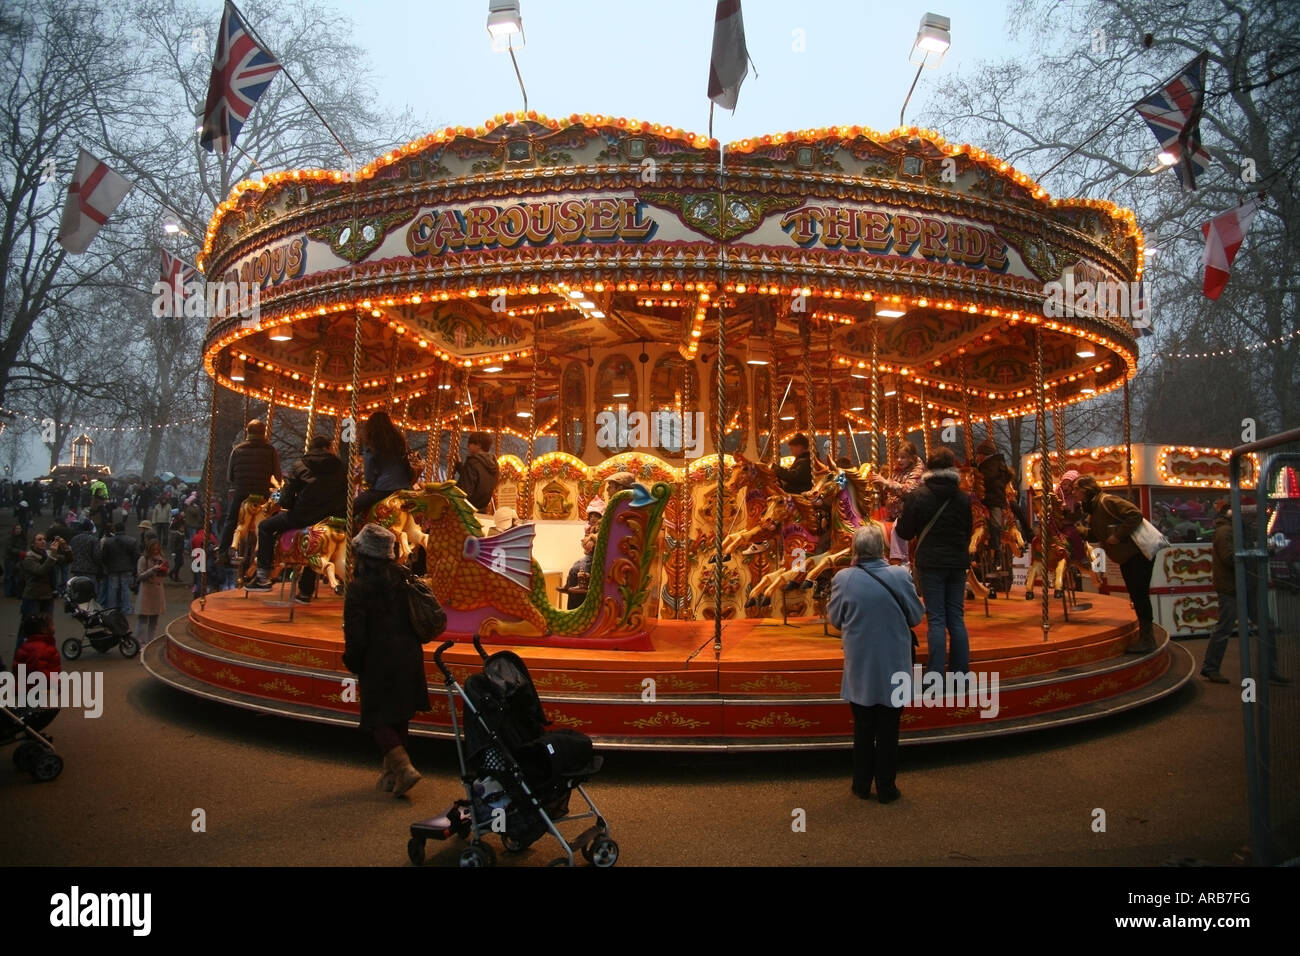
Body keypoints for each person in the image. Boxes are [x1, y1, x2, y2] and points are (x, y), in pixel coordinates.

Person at [343, 523, 444, 797]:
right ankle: (390, 776)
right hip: (408, 653)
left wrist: (352, 659)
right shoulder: (405, 577)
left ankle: (403, 768)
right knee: (399, 714)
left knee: (377, 717)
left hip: (378, 657)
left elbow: (356, 632)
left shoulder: (359, 588)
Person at [828, 523, 924, 804]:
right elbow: (916, 615)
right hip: (894, 662)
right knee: (889, 728)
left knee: (863, 726)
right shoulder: (900, 575)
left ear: (855, 550)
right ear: (881, 549)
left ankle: (860, 784)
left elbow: (835, 619)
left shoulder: (843, 578)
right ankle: (886, 786)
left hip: (861, 665)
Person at [895, 446, 973, 676]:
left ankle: (936, 672)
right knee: (956, 617)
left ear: (929, 468)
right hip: (958, 561)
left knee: (937, 618)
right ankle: (961, 671)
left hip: (931, 561)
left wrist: (904, 519)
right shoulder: (963, 498)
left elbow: (905, 532)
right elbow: (968, 530)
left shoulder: (918, 496)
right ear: (952, 468)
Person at [246, 436, 347, 599]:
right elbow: (346, 493)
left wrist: (292, 505)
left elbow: (285, 498)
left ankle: (263, 576)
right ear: (329, 448)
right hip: (331, 517)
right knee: (318, 545)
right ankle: (306, 591)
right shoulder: (341, 467)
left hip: (303, 515)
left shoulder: (299, 465)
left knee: (265, 527)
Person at [1075, 475, 1155, 653]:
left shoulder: (1107, 501)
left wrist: (1118, 535)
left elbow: (1135, 515)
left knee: (1140, 594)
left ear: (1086, 490)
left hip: (1137, 553)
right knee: (1135, 594)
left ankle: (1147, 639)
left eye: (1076, 489)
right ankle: (1145, 636)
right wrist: (1077, 531)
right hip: (1126, 556)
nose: (1074, 493)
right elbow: (1098, 535)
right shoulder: (1093, 509)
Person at [219, 419, 281, 563]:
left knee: (231, 520)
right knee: (274, 517)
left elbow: (230, 477)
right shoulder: (270, 450)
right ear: (263, 432)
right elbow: (277, 475)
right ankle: (271, 551)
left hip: (242, 493)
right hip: (263, 493)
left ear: (248, 432)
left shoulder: (237, 449)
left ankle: (223, 552)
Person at [353, 411, 416, 521]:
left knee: (355, 505)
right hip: (404, 487)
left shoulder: (371, 443)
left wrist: (370, 482)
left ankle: (346, 529)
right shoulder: (399, 441)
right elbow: (406, 463)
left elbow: (369, 473)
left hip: (384, 489)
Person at [872, 440, 924, 564]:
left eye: (903, 457)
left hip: (909, 513)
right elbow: (890, 487)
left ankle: (901, 560)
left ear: (912, 458)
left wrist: (885, 483)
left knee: (897, 529)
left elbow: (909, 490)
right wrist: (880, 485)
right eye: (897, 457)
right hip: (893, 514)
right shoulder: (896, 471)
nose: (899, 460)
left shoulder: (917, 471)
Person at [21, 532, 70, 620]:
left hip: (47, 596)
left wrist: (65, 547)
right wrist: (52, 555)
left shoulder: (47, 554)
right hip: (33, 597)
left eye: (44, 539)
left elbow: (68, 560)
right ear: (33, 543)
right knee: (30, 626)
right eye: (39, 540)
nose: (43, 541)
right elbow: (40, 571)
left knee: (46, 626)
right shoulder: (29, 558)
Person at [974, 439, 1016, 531]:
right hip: (984, 498)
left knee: (995, 523)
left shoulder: (993, 466)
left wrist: (976, 471)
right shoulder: (988, 465)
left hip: (993, 499)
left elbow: (986, 478)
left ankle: (995, 544)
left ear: (983, 455)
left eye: (978, 454)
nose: (976, 457)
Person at [98, 522, 139, 614]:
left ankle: (111, 609)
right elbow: (136, 556)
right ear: (124, 529)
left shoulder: (108, 541)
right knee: (125, 588)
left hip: (112, 568)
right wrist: (134, 567)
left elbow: (104, 556)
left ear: (115, 530)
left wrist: (107, 565)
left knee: (112, 588)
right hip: (127, 568)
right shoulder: (132, 541)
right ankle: (126, 608)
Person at [135, 536, 168, 648]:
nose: (155, 551)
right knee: (143, 619)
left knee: (154, 619)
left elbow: (163, 575)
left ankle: (150, 642)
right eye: (153, 549)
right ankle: (140, 642)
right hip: (146, 590)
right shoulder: (143, 559)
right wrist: (152, 570)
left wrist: (163, 570)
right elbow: (139, 576)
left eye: (157, 549)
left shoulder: (161, 558)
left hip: (158, 590)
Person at [455, 431, 499, 514]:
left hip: (467, 510)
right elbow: (480, 478)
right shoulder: (494, 465)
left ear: (478, 445)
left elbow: (466, 488)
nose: (468, 446)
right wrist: (459, 465)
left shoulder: (473, 463)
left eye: (470, 443)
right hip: (482, 509)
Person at [4, 524, 26, 598]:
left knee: (17, 576)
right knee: (9, 576)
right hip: (9, 559)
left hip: (18, 559)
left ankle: (15, 591)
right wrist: (19, 552)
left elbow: (24, 547)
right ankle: (7, 592)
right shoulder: (10, 538)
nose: (18, 530)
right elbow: (9, 548)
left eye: (19, 528)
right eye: (17, 528)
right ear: (14, 529)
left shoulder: (23, 538)